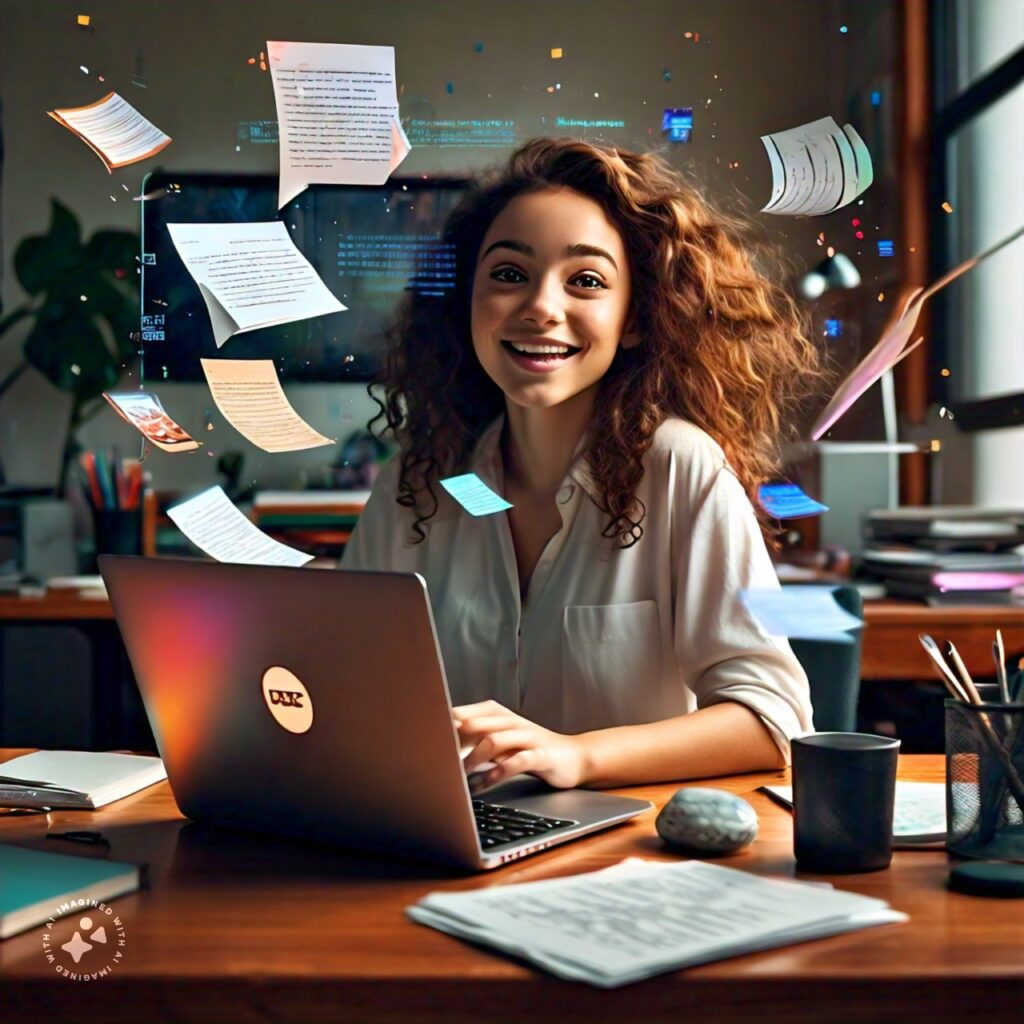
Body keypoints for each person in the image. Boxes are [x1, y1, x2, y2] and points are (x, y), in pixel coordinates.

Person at [341, 137, 823, 792]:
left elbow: (773, 720)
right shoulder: (420, 482)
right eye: (509, 274)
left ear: (634, 320)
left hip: (628, 863)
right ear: (467, 305)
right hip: (444, 843)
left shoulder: (679, 466)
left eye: (586, 281)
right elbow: (343, 688)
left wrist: (576, 756)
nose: (541, 306)